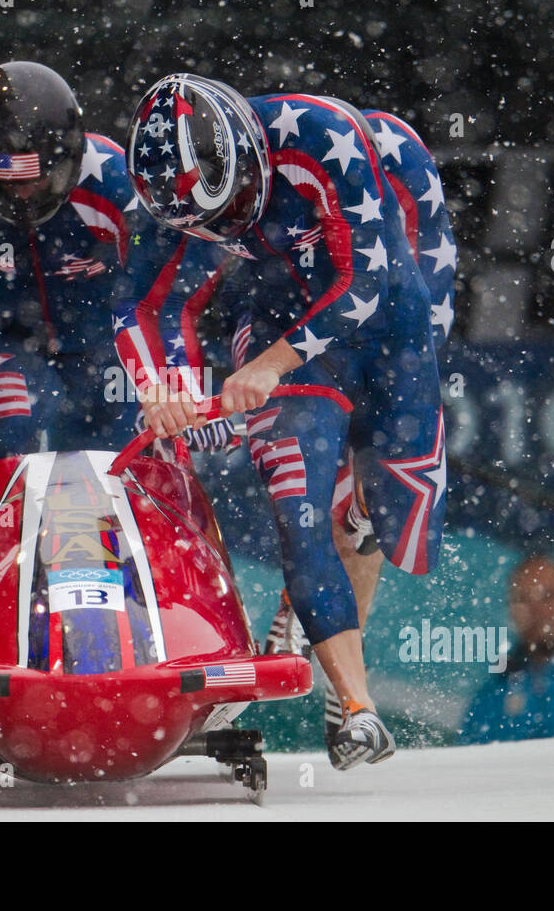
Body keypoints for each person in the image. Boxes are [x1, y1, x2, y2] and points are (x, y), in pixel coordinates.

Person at [117, 74, 448, 768]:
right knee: (300, 508)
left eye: (234, 205)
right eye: (206, 222)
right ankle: (358, 708)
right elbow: (145, 307)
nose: (225, 226)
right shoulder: (168, 196)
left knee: (391, 522)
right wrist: (165, 387)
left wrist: (269, 364)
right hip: (277, 316)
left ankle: (351, 518)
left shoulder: (324, 137)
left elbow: (369, 282)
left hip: (391, 315)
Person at [0, 61, 140, 461]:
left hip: (104, 344)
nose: (24, 196)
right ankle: (2, 515)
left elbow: (160, 294)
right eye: (8, 182)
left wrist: (174, 386)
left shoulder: (117, 184)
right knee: (10, 423)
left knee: (107, 462)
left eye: (38, 178)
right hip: (6, 332)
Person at [458, 554, 554, 743]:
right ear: (510, 609)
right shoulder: (493, 692)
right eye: (522, 599)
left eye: (547, 596)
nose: (535, 610)